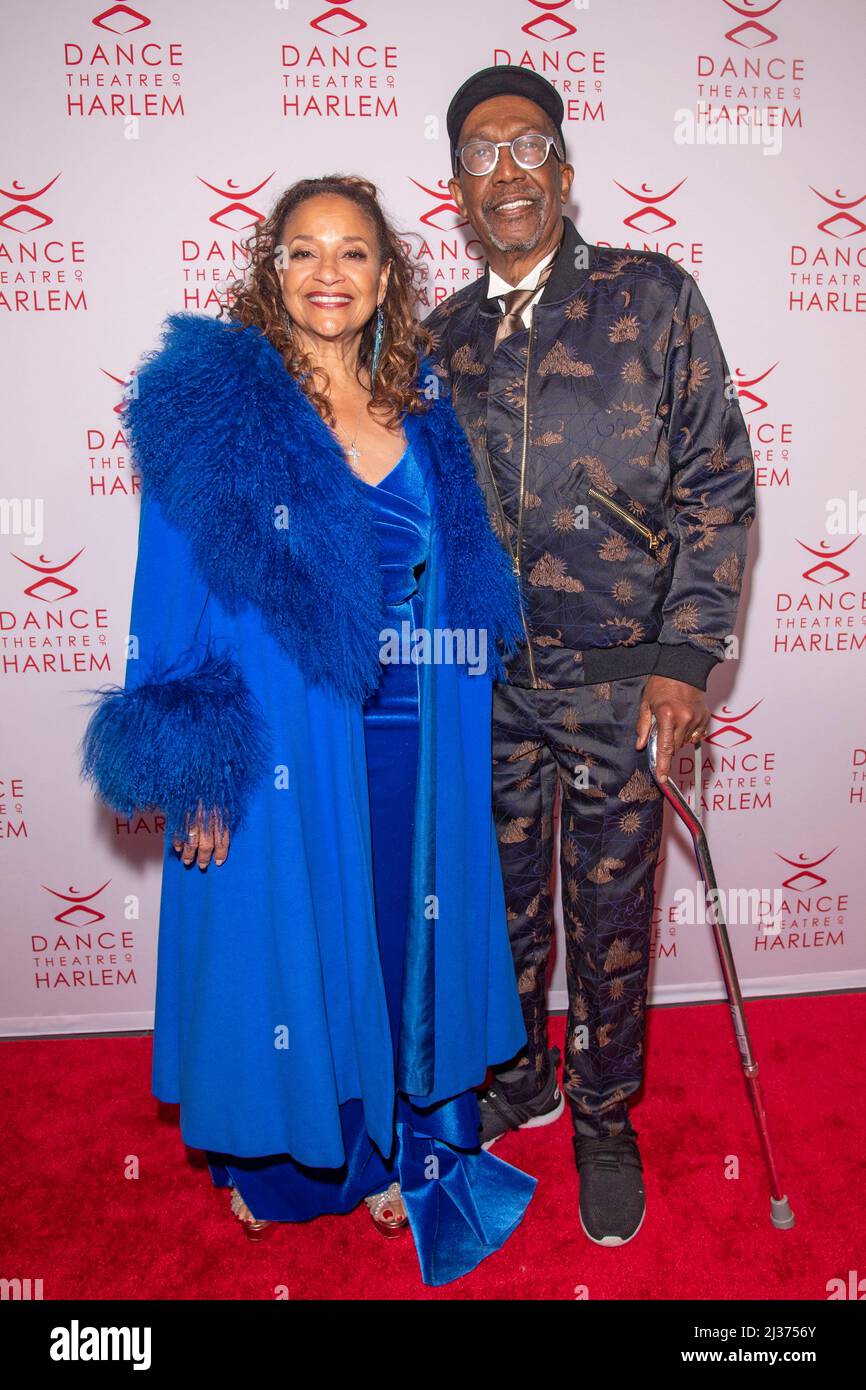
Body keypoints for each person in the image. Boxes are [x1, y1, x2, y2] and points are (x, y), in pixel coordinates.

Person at [79, 173, 536, 1286]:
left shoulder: (418, 393)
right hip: (284, 732)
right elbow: (166, 591)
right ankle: (291, 1162)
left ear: (387, 276)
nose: (328, 274)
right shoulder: (210, 402)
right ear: (268, 267)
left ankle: (399, 1142)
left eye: (354, 253)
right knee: (285, 936)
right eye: (303, 251)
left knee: (398, 927)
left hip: (413, 729)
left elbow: (447, 570)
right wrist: (192, 759)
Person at [424, 67, 756, 1247]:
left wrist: (684, 654)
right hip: (483, 683)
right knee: (500, 900)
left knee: (610, 912)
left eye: (525, 147)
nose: (503, 172)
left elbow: (717, 482)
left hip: (621, 681)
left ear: (561, 169)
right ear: (457, 189)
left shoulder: (649, 296)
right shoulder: (442, 337)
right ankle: (518, 1077)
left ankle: (604, 1119)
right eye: (478, 154)